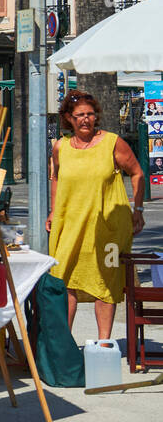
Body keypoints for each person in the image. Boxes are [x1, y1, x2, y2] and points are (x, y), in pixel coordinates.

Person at [47, 90, 146, 341]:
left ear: (96, 116)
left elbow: (137, 173)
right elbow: (56, 178)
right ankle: (66, 346)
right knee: (65, 281)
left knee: (106, 283)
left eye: (90, 114)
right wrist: (54, 210)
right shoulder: (61, 147)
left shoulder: (112, 143)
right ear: (68, 118)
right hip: (70, 226)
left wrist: (139, 209)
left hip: (109, 228)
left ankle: (103, 344)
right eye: (79, 115)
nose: (85, 119)